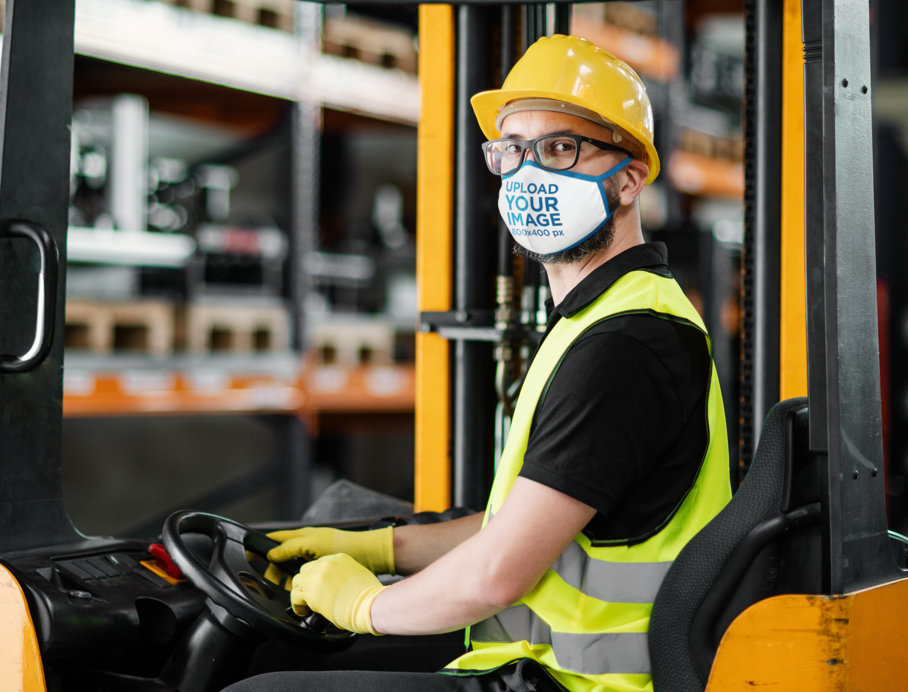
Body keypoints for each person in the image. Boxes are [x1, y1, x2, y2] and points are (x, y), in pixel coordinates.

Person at [225, 34, 731, 692]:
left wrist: (364, 605)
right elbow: (512, 532)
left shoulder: (627, 345)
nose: (528, 176)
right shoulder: (600, 317)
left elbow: (497, 575)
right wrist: (378, 547)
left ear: (630, 177)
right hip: (532, 665)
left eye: (559, 149)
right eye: (511, 152)